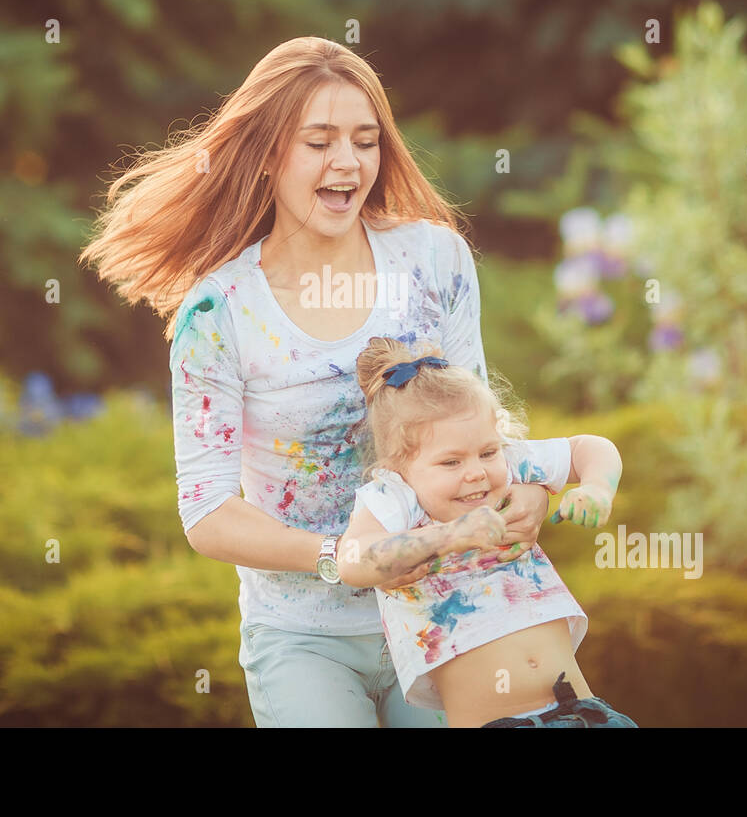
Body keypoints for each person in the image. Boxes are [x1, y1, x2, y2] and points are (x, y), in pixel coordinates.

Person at [79, 36, 555, 726]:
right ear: (270, 153)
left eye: (366, 141)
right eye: (320, 141)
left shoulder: (434, 260)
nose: (347, 162)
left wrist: (531, 490)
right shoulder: (218, 312)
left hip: (444, 617)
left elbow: (482, 432)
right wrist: (346, 558)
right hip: (303, 639)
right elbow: (208, 512)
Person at [339, 336, 639, 728]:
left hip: (586, 713)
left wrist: (597, 487)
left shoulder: (510, 465)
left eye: (487, 452)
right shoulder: (397, 497)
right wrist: (447, 536)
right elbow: (352, 561)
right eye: (450, 462)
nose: (476, 471)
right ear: (399, 466)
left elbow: (591, 447)